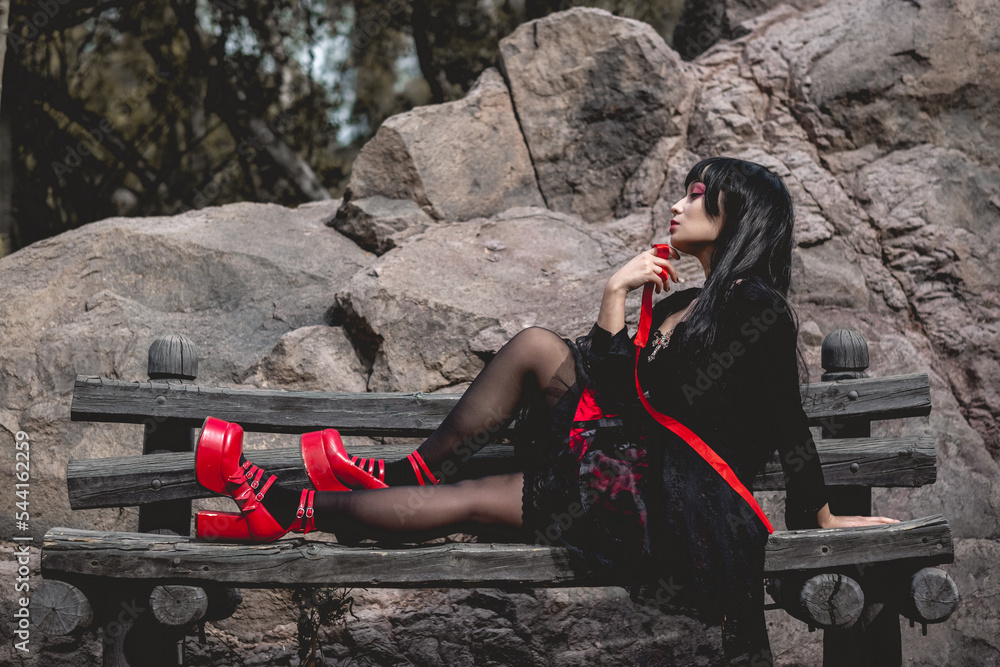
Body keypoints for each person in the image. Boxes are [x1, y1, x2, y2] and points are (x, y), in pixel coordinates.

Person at [194, 157, 899, 665]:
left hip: (670, 497)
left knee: (472, 499)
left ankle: (292, 506)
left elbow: (786, 421)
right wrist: (615, 297)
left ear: (736, 216)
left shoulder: (758, 310)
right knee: (530, 358)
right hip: (628, 465)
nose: (679, 207)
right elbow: (619, 394)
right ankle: (333, 493)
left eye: (699, 196)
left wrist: (821, 514)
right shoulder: (688, 303)